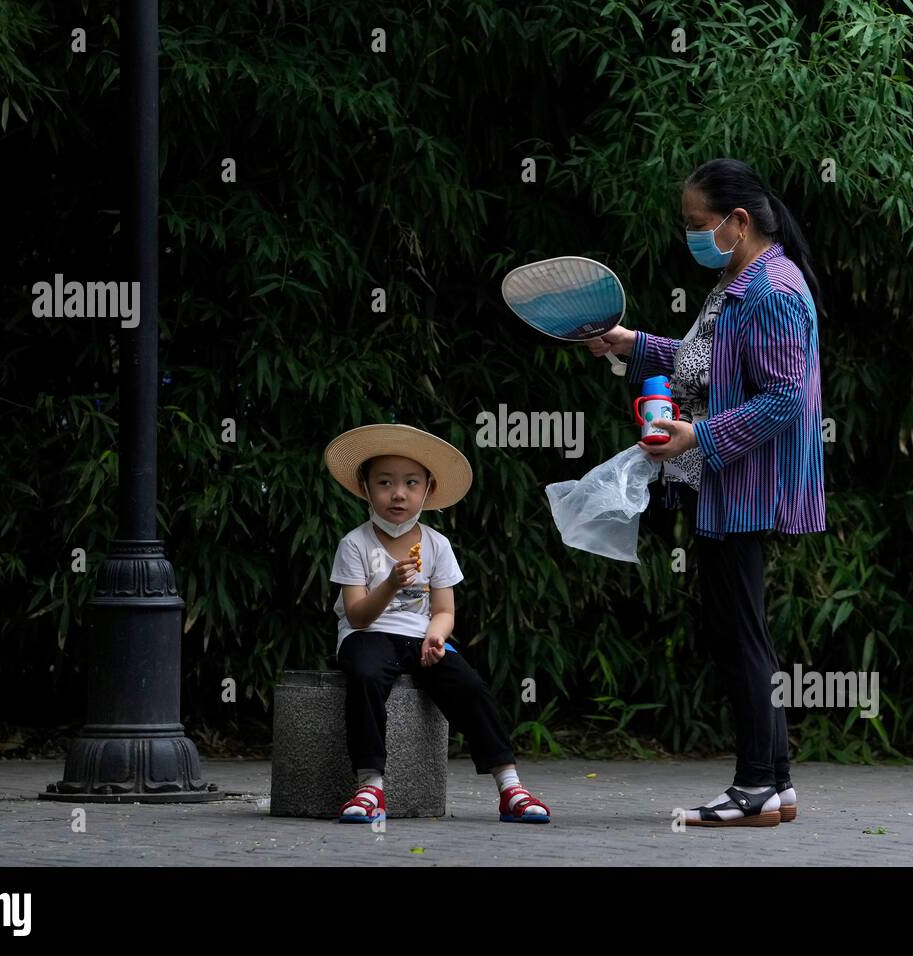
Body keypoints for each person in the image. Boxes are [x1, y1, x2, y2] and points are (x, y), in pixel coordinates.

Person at [588, 157, 826, 827]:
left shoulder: (772, 291)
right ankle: (774, 785)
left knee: (738, 633)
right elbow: (705, 362)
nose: (691, 234)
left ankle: (754, 787)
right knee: (741, 628)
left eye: (698, 223)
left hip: (742, 481)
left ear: (738, 220)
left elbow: (783, 398)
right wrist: (630, 343)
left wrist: (698, 437)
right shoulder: (744, 279)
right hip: (727, 478)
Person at [323, 422, 551, 824]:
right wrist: (391, 584)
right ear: (365, 487)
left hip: (420, 638)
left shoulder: (436, 544)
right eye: (385, 483)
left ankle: (509, 783)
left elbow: (444, 610)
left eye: (411, 483)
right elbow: (357, 614)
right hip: (368, 635)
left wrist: (436, 635)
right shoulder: (354, 543)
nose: (398, 493)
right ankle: (370, 785)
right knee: (364, 675)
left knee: (468, 684)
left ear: (427, 489)